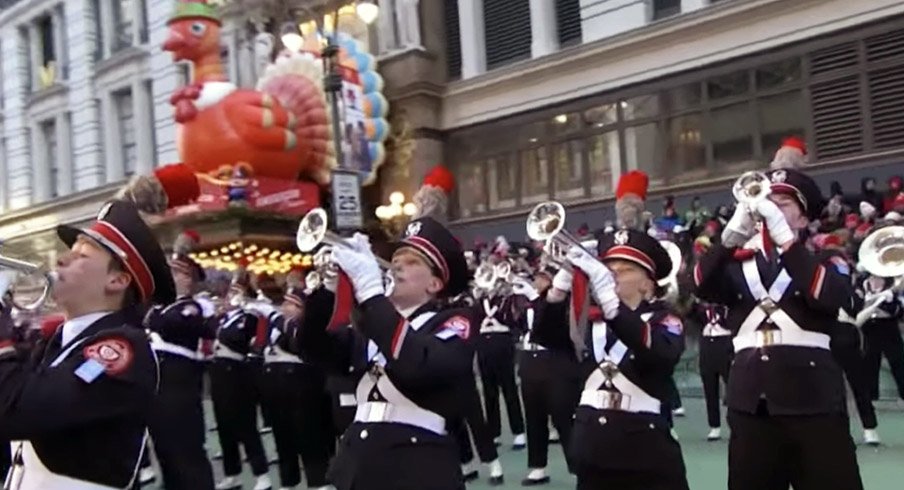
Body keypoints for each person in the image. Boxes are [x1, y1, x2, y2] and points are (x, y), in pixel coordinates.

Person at [693, 167, 863, 490]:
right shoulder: (736, 266)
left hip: (813, 401)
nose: (770, 209)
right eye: (765, 202)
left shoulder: (827, 258)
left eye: (783, 204)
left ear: (802, 218)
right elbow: (698, 284)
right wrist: (729, 239)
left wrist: (786, 241)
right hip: (751, 404)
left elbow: (830, 296)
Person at [0, 200, 175, 489]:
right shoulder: (57, 343)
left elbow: (15, 410)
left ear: (117, 280)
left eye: (81, 254)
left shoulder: (122, 350)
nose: (61, 260)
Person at [318, 217, 474, 490]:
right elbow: (315, 348)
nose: (398, 266)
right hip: (357, 466)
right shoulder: (372, 324)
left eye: (412, 262)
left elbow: (419, 366)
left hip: (415, 469)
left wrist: (370, 292)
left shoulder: (454, 321)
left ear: (434, 284)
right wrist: (329, 290)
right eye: (397, 259)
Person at [536, 227, 689, 490]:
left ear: (647, 283)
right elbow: (545, 334)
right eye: (609, 267)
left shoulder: (664, 320)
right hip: (592, 450)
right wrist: (559, 288)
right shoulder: (588, 321)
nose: (613, 273)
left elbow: (659, 355)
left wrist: (610, 302)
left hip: (645, 452)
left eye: (626, 269)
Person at [143, 233, 217, 490]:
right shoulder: (161, 307)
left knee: (186, 451)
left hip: (179, 386)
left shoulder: (191, 308)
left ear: (187, 280)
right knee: (164, 448)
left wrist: (152, 316)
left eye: (175, 274)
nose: (170, 279)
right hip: (159, 386)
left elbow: (171, 326)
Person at [259, 287, 334, 490]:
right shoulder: (276, 323)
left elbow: (296, 345)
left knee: (308, 434)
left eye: (292, 304)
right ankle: (288, 480)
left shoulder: (303, 326)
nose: (285, 307)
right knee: (282, 435)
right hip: (275, 385)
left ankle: (318, 481)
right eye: (285, 303)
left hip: (301, 385)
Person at [209, 276, 271, 490]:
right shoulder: (221, 319)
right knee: (225, 426)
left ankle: (261, 473)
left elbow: (241, 338)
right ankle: (231, 472)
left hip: (237, 374)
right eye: (230, 293)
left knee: (245, 425)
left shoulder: (247, 318)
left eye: (236, 294)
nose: (230, 298)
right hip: (219, 374)